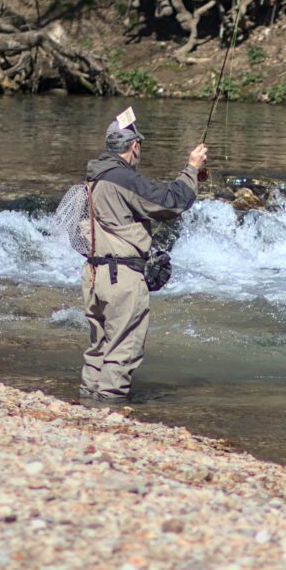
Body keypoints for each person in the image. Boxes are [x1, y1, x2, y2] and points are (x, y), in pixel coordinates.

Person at [80, 109, 208, 401]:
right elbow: (171, 203)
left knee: (99, 347)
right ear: (133, 145)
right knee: (124, 347)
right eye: (140, 146)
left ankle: (86, 404)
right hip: (121, 277)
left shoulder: (93, 176)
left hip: (93, 274)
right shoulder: (124, 179)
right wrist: (191, 168)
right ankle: (108, 410)